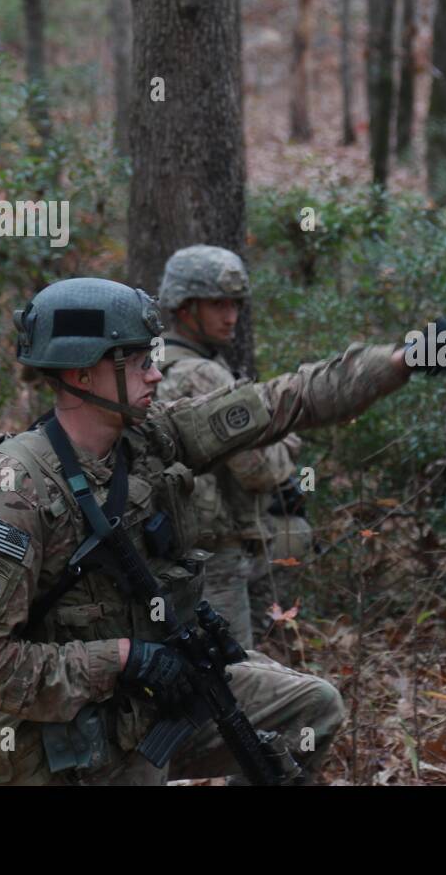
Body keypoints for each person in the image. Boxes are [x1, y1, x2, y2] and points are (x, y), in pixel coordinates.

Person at [0, 277, 413, 784]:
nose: (156, 376)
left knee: (312, 707)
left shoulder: (150, 438)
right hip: (66, 741)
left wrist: (399, 363)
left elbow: (278, 404)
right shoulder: (18, 490)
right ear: (83, 374)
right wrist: (122, 659)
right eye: (140, 363)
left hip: (154, 703)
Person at [155, 245, 311, 649]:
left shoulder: (152, 360)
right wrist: (288, 444)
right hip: (210, 555)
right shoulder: (202, 374)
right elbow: (261, 469)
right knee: (232, 677)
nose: (231, 316)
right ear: (186, 308)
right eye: (217, 304)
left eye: (235, 304)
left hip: (171, 549)